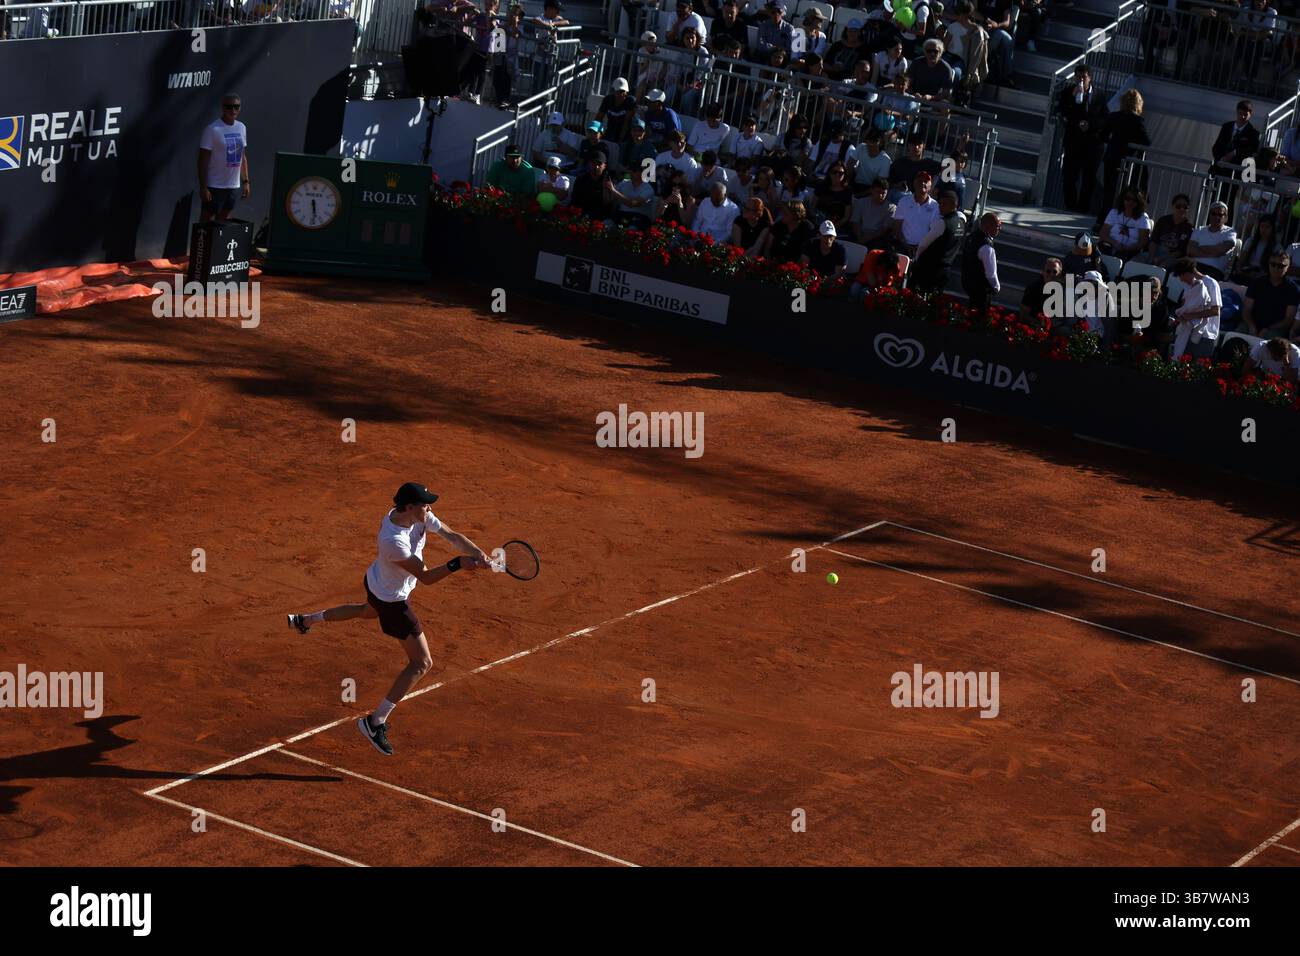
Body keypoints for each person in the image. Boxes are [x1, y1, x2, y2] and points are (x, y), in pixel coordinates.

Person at [287, 482, 491, 756]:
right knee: (421, 663)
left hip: (375, 582)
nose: (428, 508)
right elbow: (427, 577)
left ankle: (305, 620)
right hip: (392, 600)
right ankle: (375, 720)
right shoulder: (393, 541)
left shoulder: (415, 515)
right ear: (409, 507)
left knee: (364, 611)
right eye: (424, 504)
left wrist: (477, 553)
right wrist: (457, 564)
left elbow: (452, 535)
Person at [1056, 64, 1107, 216]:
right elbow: (1062, 112)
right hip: (1073, 142)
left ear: (1089, 78)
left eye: (1083, 77)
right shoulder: (1068, 93)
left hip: (1092, 144)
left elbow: (1104, 118)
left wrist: (1090, 125)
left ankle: (1082, 208)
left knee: (1088, 178)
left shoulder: (1099, 95)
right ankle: (1070, 206)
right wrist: (1073, 97)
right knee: (1069, 176)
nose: (1081, 80)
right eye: (1078, 77)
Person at [1099, 89, 1151, 226]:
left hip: (1112, 157)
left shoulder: (1114, 117)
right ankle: (1119, 221)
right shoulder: (1137, 121)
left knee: (1109, 191)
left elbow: (1102, 135)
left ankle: (1103, 220)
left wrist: (1113, 141)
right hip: (1128, 162)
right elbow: (1147, 142)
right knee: (1125, 193)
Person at [198, 93, 250, 223]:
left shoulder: (241, 127)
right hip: (214, 186)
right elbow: (202, 160)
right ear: (223, 108)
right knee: (206, 222)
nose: (233, 110)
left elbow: (242, 156)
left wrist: (246, 182)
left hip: (233, 186)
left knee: (224, 221)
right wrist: (204, 187)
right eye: (229, 107)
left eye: (236, 107)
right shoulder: (212, 129)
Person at [910, 189, 966, 294]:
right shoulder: (961, 224)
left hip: (929, 270)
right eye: (940, 203)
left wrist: (917, 259)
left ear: (954, 205)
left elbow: (923, 244)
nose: (940, 206)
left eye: (944, 204)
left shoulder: (943, 223)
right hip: (944, 271)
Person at [1210, 101, 1260, 219]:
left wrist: (1235, 153)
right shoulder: (1227, 126)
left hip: (1234, 173)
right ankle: (1210, 225)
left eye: (1245, 114)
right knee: (1213, 200)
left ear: (1250, 114)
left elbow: (1251, 151)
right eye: (1240, 113)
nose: (1242, 117)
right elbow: (1217, 146)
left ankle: (1225, 228)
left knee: (1228, 202)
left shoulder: (1253, 133)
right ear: (1237, 112)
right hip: (1219, 169)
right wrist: (1220, 159)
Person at [1170, 258, 1222, 359]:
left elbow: (1216, 311)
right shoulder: (1187, 285)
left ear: (1188, 273)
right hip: (1186, 333)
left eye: (1181, 276)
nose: (1181, 280)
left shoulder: (1211, 283)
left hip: (1206, 336)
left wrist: (1191, 316)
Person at [1242, 254, 1300, 337]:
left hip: (1276, 329)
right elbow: (1246, 309)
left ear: (1287, 268)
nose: (1276, 268)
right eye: (1273, 264)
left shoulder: (1293, 289)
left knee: (1271, 341)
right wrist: (1251, 326)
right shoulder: (1257, 282)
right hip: (1252, 323)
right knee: (1239, 333)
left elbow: (1289, 319)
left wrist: (1268, 328)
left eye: (1281, 266)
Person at [892, 170, 941, 256]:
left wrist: (921, 247)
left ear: (930, 186)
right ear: (914, 183)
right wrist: (905, 245)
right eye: (919, 181)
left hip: (924, 248)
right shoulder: (903, 201)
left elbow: (933, 232)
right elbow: (897, 227)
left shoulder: (935, 206)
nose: (922, 183)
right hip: (902, 246)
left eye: (925, 181)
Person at [1186, 202, 1238, 281]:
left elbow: (1222, 250)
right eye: (1213, 214)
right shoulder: (1199, 230)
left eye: (1220, 215)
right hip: (1195, 266)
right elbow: (1190, 250)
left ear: (1226, 217)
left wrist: (1199, 249)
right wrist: (1214, 252)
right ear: (1209, 215)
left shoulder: (1230, 232)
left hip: (1214, 271)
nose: (1216, 217)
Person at [961, 211, 1002, 311]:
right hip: (981, 288)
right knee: (979, 316)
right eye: (997, 226)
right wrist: (996, 287)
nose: (999, 229)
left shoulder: (971, 237)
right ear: (988, 226)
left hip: (968, 281)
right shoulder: (987, 246)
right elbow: (990, 273)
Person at [1098, 188, 1153, 262]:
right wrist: (1115, 243)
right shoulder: (1114, 212)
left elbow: (1143, 242)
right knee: (1101, 249)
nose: (1130, 202)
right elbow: (1103, 234)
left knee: (1124, 257)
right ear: (1122, 199)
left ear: (1139, 202)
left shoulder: (1143, 218)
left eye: (1134, 200)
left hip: (1131, 250)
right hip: (1111, 244)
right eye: (1128, 199)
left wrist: (1126, 248)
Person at [1147, 194, 1193, 270]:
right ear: (1173, 206)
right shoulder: (1163, 221)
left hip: (1172, 257)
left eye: (1185, 207)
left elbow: (1180, 251)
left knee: (1163, 266)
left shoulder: (1188, 228)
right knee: (1136, 260)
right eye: (1178, 206)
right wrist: (1151, 257)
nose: (1181, 209)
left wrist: (1160, 259)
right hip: (1155, 252)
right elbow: (1154, 241)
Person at [607, 163, 657, 228]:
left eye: (634, 170)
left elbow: (632, 204)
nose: (630, 172)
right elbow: (608, 200)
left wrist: (613, 190)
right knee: (606, 224)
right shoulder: (622, 184)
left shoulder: (648, 189)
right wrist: (606, 187)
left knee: (632, 229)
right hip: (622, 215)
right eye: (630, 170)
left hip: (640, 217)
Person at [1233, 216, 1281, 284]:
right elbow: (1241, 260)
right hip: (1246, 272)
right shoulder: (1250, 241)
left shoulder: (1277, 247)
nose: (1264, 229)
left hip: (1263, 278)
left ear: (1272, 229)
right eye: (1262, 226)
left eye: (1267, 227)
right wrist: (1239, 269)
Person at [850, 177, 897, 248]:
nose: (880, 196)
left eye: (883, 193)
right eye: (878, 192)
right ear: (871, 190)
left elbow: (884, 230)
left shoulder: (891, 207)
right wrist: (860, 237)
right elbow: (855, 223)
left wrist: (866, 239)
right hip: (859, 235)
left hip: (877, 239)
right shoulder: (861, 202)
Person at [1020, 257, 1064, 325]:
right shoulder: (1033, 288)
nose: (1051, 275)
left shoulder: (1064, 290)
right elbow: (1024, 315)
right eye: (1048, 271)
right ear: (1043, 272)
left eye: (1055, 272)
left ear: (1060, 274)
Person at [570, 155, 613, 219]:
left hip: (599, 216)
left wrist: (605, 187)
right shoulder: (581, 179)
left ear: (604, 166)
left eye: (599, 164)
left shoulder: (608, 181)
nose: (596, 167)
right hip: (580, 213)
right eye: (593, 163)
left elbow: (607, 203)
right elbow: (575, 199)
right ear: (589, 164)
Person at [595, 78, 637, 144]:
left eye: (623, 91)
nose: (621, 94)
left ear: (626, 92)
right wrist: (597, 132)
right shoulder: (607, 100)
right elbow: (599, 117)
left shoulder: (630, 101)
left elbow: (627, 121)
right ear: (614, 91)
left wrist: (620, 139)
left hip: (625, 135)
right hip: (609, 132)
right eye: (618, 91)